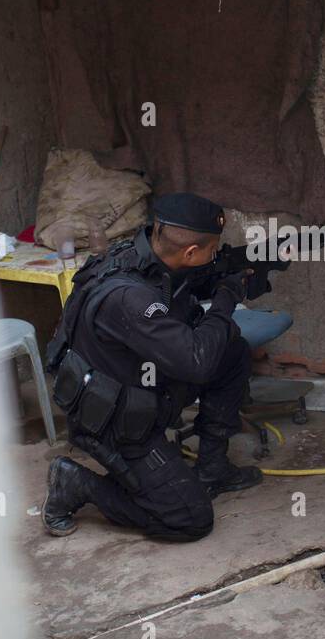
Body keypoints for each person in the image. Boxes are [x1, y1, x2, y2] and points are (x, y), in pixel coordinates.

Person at [40, 192, 264, 541]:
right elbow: (196, 362)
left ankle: (213, 469)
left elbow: (181, 293)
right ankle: (77, 484)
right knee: (190, 519)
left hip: (141, 386)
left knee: (231, 351)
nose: (214, 255)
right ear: (190, 252)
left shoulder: (138, 255)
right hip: (116, 423)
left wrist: (227, 275)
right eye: (212, 249)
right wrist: (226, 297)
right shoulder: (129, 297)